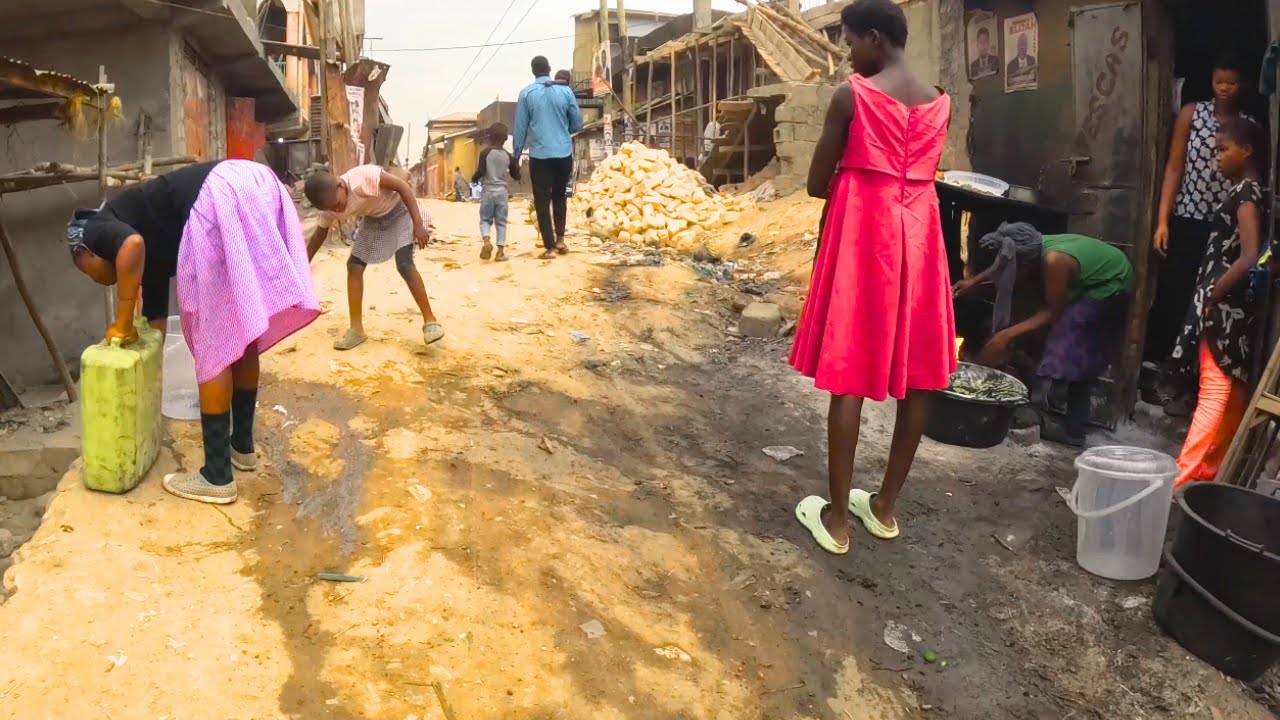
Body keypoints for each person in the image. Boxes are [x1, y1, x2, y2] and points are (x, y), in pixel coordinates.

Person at [790, 0, 953, 554]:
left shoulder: (852, 96)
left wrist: (856, 175)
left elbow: (816, 182)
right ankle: (882, 507)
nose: (848, 53)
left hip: (867, 236)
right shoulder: (940, 102)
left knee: (850, 372)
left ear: (876, 38)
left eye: (851, 41)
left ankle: (837, 521)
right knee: (919, 373)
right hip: (922, 238)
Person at [68, 160, 321, 504]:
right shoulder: (149, 236)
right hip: (256, 181)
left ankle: (216, 477)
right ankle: (241, 448)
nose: (98, 280)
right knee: (239, 333)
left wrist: (122, 321)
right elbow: (154, 316)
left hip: (220, 195)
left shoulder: (94, 227)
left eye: (88, 272)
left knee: (213, 339)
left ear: (85, 253)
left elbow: (131, 248)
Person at [958, 225, 1134, 447]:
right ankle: (1066, 418)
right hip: (1096, 274)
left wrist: (1008, 334)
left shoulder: (1053, 262)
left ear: (1026, 264)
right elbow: (1001, 262)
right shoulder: (1029, 243)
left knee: (1066, 341)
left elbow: (1054, 313)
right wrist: (973, 281)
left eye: (1015, 270)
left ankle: (1050, 419)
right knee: (1075, 349)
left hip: (1111, 284)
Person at [1166, 116, 1267, 487]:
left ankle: (1179, 475)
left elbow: (1249, 255)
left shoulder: (1246, 193)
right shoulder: (1255, 192)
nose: (1216, 159)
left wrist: (1212, 295)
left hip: (1226, 306)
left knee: (1214, 389)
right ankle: (1212, 468)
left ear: (1247, 150)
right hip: (1235, 305)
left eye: (1223, 150)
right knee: (1233, 389)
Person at [1148, 52, 1253, 408]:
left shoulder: (1248, 125)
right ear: (1210, 80)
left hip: (1224, 229)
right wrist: (1163, 219)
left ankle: (1191, 380)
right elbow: (1174, 167)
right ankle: (1158, 371)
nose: (1224, 88)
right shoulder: (1193, 114)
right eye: (1218, 80)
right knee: (1175, 294)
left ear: (1243, 85)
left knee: (1208, 304)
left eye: (1231, 82)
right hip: (1188, 218)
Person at [303, 165, 442, 351]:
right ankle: (356, 330)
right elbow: (318, 236)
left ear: (340, 185)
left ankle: (430, 321)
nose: (338, 209)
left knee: (404, 263)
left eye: (337, 203)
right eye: (332, 209)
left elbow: (403, 187)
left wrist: (418, 225)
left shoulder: (362, 178)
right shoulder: (329, 209)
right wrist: (303, 265)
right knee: (354, 265)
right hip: (375, 219)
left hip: (401, 212)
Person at [513, 55, 584, 260]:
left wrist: (516, 156)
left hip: (540, 155)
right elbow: (577, 124)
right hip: (563, 153)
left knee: (542, 200)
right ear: (549, 69)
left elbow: (520, 128)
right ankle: (561, 238)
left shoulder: (526, 94)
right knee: (560, 196)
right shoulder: (565, 91)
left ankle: (550, 247)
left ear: (533, 71)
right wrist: (563, 131)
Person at [472, 122, 521, 262]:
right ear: (505, 139)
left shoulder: (485, 153)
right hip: (502, 192)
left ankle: (487, 241)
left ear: (489, 137)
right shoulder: (508, 156)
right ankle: (500, 252)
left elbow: (480, 172)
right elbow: (516, 175)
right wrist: (517, 167)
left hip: (488, 191)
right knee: (501, 222)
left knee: (485, 220)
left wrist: (474, 179)